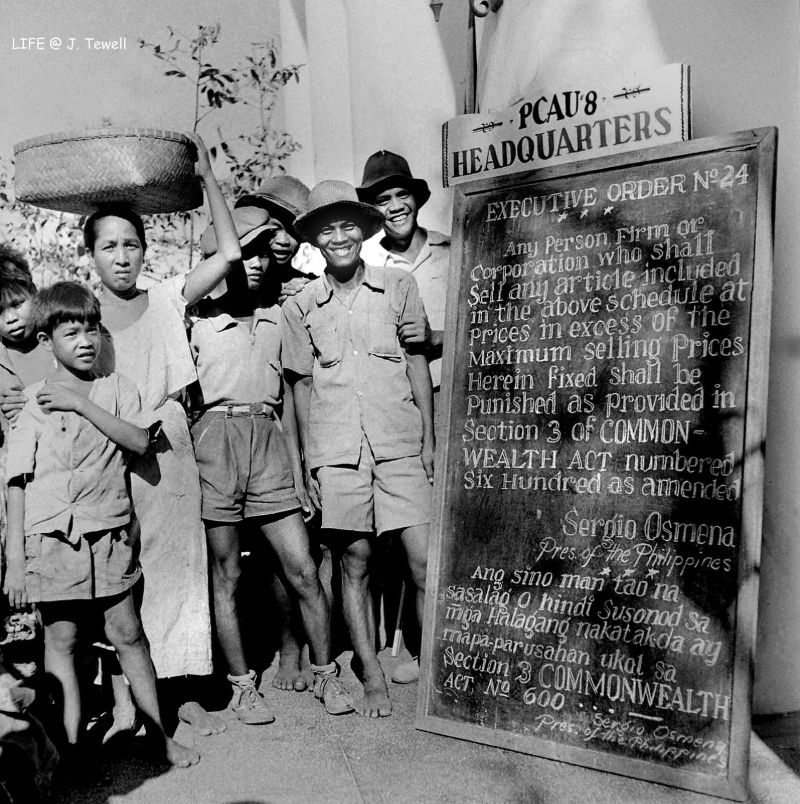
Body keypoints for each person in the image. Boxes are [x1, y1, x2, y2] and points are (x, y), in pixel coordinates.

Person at [83, 133, 243, 738]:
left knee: (175, 565)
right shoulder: (81, 315)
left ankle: (177, 688)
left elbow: (229, 253)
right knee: (117, 569)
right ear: (92, 257)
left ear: (146, 250)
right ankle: (124, 696)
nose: (121, 257)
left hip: (167, 445)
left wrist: (206, 179)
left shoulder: (169, 298)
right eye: (109, 247)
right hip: (104, 448)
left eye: (131, 245)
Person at [2, 282, 198, 768]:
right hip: (51, 542)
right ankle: (66, 754)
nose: (85, 341)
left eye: (91, 330)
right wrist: (15, 562)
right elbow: (16, 482)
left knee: (128, 633)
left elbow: (139, 441)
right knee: (62, 641)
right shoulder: (33, 402)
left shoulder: (117, 389)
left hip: (108, 537)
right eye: (71, 333)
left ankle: (159, 740)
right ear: (47, 341)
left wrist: (81, 404)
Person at [190, 205, 353, 722]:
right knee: (227, 576)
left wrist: (301, 466)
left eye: (265, 251)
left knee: (303, 570)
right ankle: (242, 688)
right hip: (215, 442)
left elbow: (286, 396)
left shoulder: (277, 315)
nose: (257, 262)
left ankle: (326, 676)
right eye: (246, 251)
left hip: (270, 442)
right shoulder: (195, 318)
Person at [282, 180, 434, 717]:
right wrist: (307, 465)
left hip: (399, 443)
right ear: (315, 241)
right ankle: (371, 673)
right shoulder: (300, 305)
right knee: (356, 563)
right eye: (328, 228)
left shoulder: (397, 287)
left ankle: (438, 672)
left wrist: (430, 443)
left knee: (422, 562)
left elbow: (417, 362)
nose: (340, 237)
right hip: (337, 452)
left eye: (349, 225)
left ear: (364, 231)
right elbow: (299, 388)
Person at [358, 150, 451, 684]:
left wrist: (439, 337)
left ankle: (440, 648)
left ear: (416, 198)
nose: (394, 207)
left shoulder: (450, 248)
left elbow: (487, 321)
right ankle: (395, 646)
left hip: (450, 397)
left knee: (442, 527)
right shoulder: (368, 262)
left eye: (401, 196)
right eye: (382, 199)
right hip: (396, 409)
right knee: (391, 534)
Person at [234, 177, 318, 693]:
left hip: (313, 418)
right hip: (261, 428)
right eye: (271, 227)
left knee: (313, 549)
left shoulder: (310, 286)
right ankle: (287, 644)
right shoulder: (243, 283)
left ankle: (316, 646)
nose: (281, 239)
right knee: (271, 548)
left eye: (290, 227)